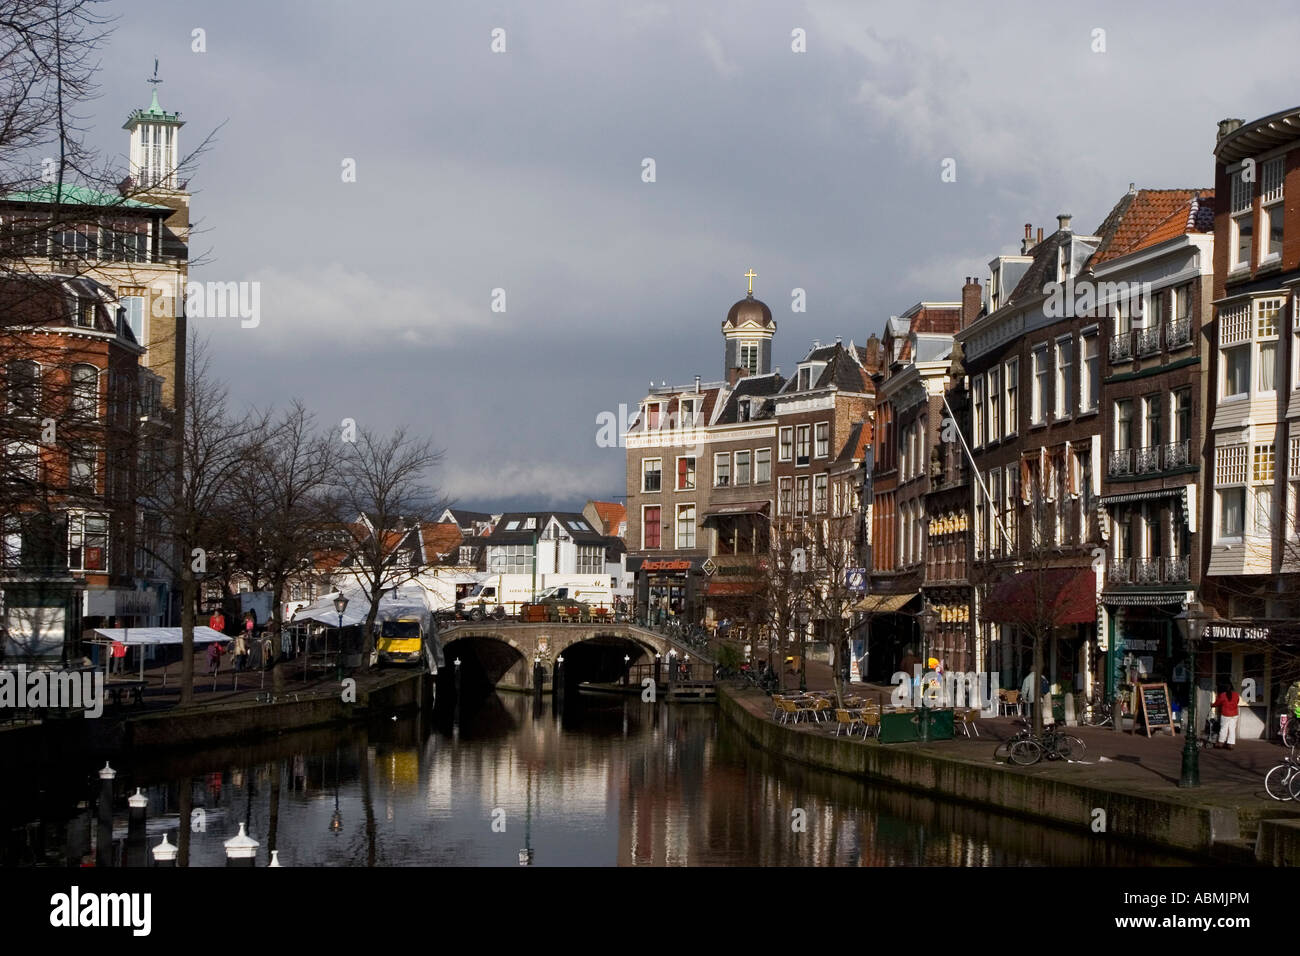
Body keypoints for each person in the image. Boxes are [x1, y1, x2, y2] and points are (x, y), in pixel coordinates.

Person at [1214, 682, 1241, 749]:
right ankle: (1230, 744)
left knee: (1224, 728)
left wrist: (1212, 705)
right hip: (1234, 714)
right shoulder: (1236, 694)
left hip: (1225, 714)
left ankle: (1220, 743)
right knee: (1232, 729)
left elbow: (1218, 703)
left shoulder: (1223, 695)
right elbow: (1237, 702)